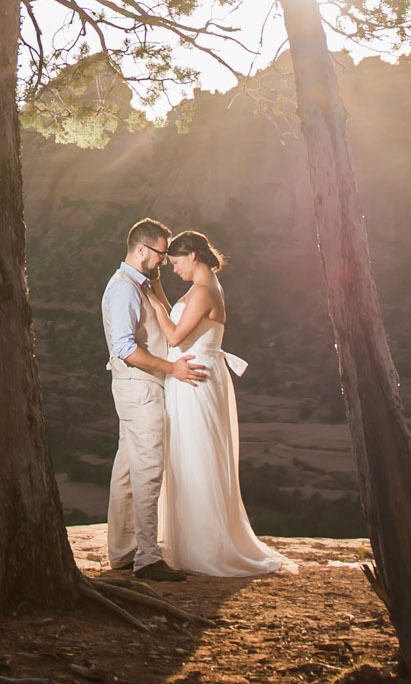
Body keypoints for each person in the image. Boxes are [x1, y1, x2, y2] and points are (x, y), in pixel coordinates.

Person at [151, 231, 287, 580]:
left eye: (178, 262)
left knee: (198, 455)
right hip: (192, 375)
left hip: (195, 380)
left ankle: (206, 545)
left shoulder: (205, 291)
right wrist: (159, 293)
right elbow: (181, 322)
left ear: (193, 256)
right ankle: (197, 539)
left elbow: (175, 336)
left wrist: (151, 302)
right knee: (190, 453)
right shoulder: (204, 287)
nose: (174, 269)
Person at [102, 218, 205, 581]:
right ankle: (147, 557)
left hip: (137, 387)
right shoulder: (123, 290)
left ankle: (122, 551)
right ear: (141, 249)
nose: (164, 260)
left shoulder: (140, 284)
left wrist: (156, 280)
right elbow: (125, 349)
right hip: (140, 386)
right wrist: (171, 369)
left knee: (128, 469)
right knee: (148, 469)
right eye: (161, 253)